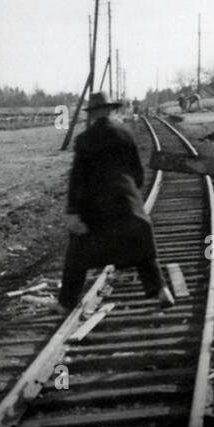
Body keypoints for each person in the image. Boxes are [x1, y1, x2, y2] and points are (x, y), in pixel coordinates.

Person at [60, 92, 173, 311]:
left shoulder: (84, 140)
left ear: (92, 114)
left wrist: (73, 210)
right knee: (142, 249)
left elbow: (78, 178)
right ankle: (161, 291)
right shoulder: (125, 133)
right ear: (111, 110)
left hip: (96, 204)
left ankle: (65, 303)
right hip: (126, 199)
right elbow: (138, 173)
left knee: (77, 254)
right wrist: (132, 197)